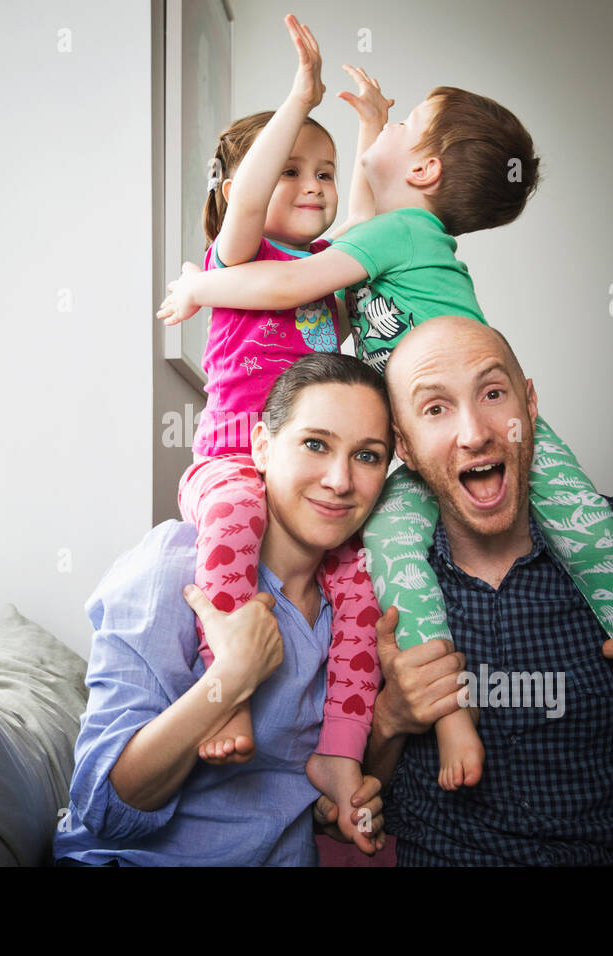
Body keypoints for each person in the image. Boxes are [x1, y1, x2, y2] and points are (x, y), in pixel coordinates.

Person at [158, 76, 613, 787]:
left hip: (462, 443)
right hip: (417, 460)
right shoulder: (391, 238)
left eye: (405, 124)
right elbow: (352, 228)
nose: (380, 139)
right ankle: (452, 719)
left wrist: (200, 287)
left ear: (424, 168)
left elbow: (298, 279)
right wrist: (372, 126)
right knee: (402, 563)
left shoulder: (405, 232)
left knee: (597, 539)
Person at [349, 316, 613, 865]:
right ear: (403, 444)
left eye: (493, 393)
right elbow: (346, 806)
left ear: (529, 405)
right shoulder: (369, 580)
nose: (475, 432)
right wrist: (390, 719)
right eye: (436, 409)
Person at [170, 14, 393, 842]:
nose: (313, 184)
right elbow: (252, 192)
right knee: (230, 518)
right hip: (234, 461)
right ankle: (223, 685)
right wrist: (299, 98)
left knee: (362, 594)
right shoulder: (237, 266)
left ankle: (337, 751)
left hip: (314, 481)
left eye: (325, 173)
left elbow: (368, 221)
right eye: (293, 168)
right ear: (244, 187)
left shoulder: (330, 270)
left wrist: (369, 132)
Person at [53, 354, 393, 865]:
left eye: (367, 456)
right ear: (261, 446)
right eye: (315, 444)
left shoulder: (356, 611)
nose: (340, 480)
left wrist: (389, 727)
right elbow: (106, 807)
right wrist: (230, 680)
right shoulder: (173, 569)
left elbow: (318, 795)